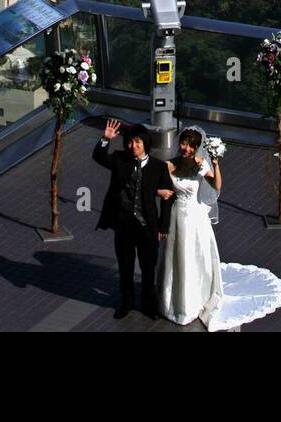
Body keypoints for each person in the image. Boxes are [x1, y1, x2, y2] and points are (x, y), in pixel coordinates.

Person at [93, 118, 174, 319]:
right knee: (125, 266)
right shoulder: (120, 159)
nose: (133, 146)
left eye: (138, 142)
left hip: (147, 226)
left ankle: (148, 304)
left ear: (146, 143)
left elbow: (167, 198)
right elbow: (99, 157)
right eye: (130, 142)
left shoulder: (159, 167)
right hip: (123, 224)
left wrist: (163, 226)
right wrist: (105, 138)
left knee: (148, 268)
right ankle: (126, 302)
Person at [156, 127, 225, 330]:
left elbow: (216, 185)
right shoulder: (170, 165)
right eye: (183, 144)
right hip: (177, 215)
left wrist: (215, 163)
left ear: (196, 148)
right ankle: (173, 301)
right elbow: (156, 185)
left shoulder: (201, 164)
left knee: (196, 256)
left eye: (190, 145)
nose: (185, 148)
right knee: (175, 256)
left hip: (195, 217)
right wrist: (160, 192)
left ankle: (195, 299)